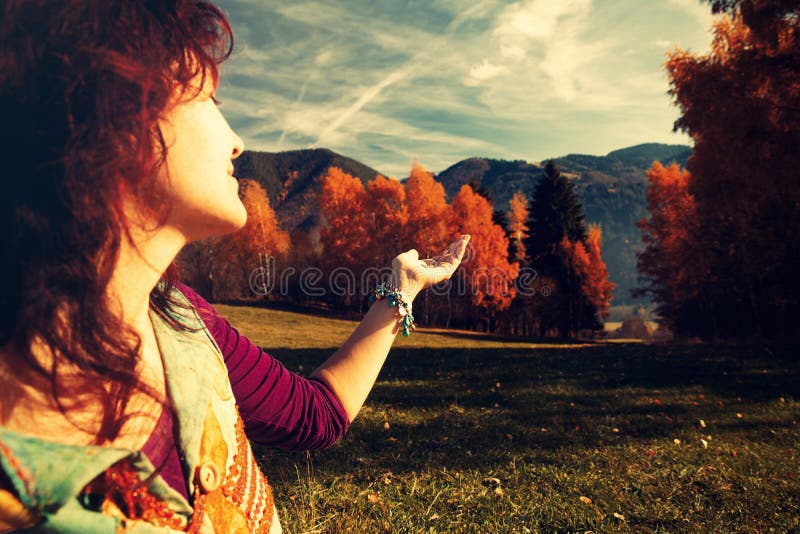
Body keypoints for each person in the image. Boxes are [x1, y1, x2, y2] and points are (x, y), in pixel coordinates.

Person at [0, 1, 469, 532]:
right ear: (113, 113)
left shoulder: (181, 319)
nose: (238, 141)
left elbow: (317, 415)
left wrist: (401, 289)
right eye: (207, 97)